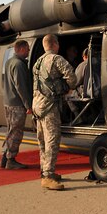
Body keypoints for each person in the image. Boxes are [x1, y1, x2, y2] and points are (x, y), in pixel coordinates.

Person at [33, 34, 77, 190]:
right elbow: (72, 77)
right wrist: (68, 87)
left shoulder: (38, 62)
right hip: (50, 105)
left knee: (42, 141)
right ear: (55, 44)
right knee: (52, 140)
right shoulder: (57, 59)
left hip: (37, 106)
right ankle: (48, 176)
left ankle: (44, 170)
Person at [0, 39, 32, 170]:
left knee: (10, 131)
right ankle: (10, 160)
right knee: (16, 132)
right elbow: (21, 87)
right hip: (17, 104)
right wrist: (28, 105)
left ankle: (4, 158)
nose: (29, 51)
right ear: (22, 49)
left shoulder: (9, 62)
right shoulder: (19, 65)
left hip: (9, 103)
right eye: (28, 49)